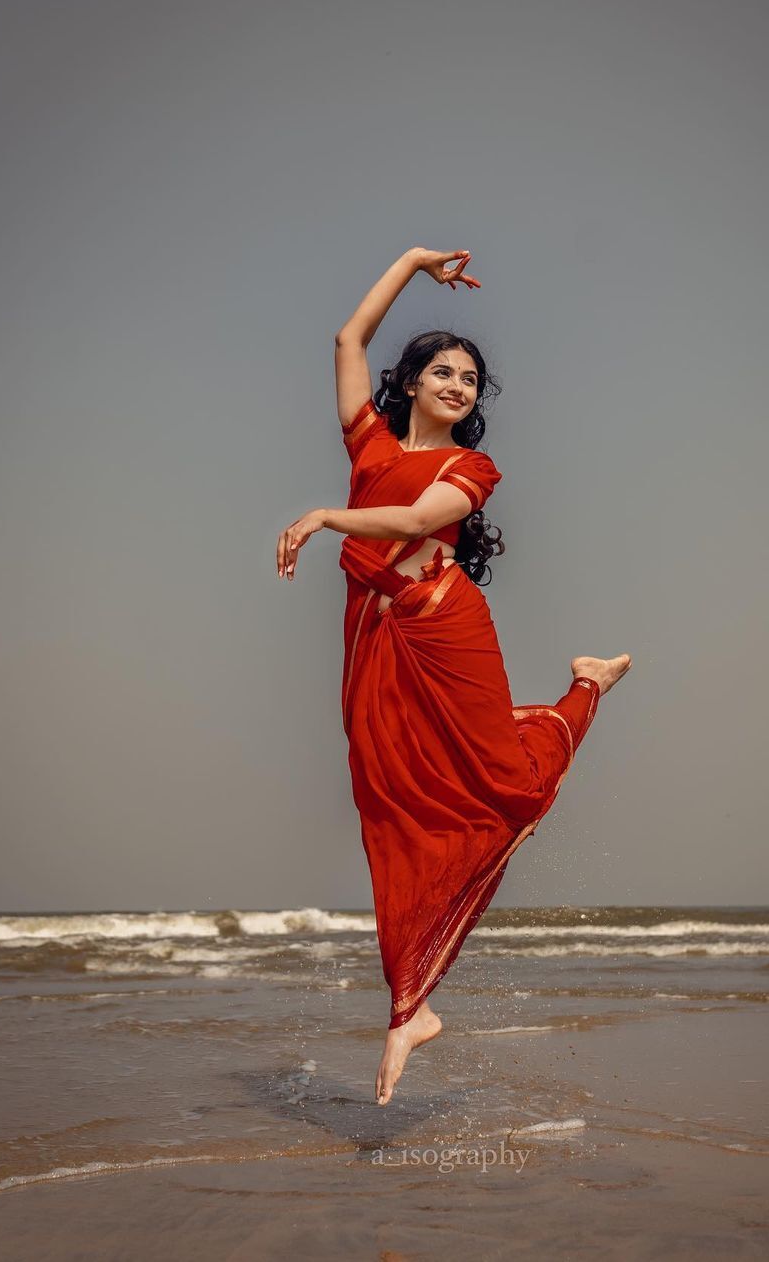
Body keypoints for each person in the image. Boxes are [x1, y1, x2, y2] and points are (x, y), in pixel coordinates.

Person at [277, 246, 632, 1105]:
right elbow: (347, 336)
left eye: (471, 378)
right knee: (388, 797)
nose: (460, 385)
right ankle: (409, 1007)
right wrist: (410, 261)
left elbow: (416, 517)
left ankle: (586, 686)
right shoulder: (370, 437)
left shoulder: (472, 469)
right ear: (410, 383)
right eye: (443, 370)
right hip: (374, 637)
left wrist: (328, 514)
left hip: (442, 624)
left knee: (505, 786)